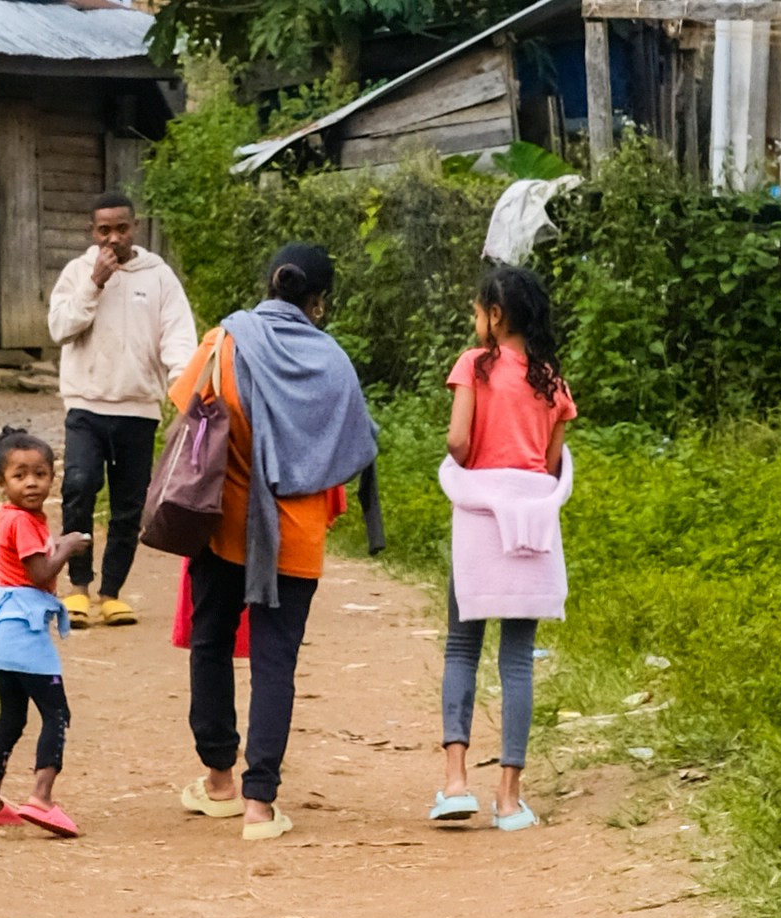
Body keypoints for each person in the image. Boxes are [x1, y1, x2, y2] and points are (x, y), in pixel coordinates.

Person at [166, 243, 382, 846]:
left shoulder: (225, 342)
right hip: (296, 537)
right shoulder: (335, 363)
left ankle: (218, 783)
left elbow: (185, 406)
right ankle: (261, 806)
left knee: (210, 644)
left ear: (269, 284)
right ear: (320, 302)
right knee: (275, 663)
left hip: (221, 526)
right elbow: (355, 447)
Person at [435, 253, 576, 831]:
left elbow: (460, 444)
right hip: (532, 528)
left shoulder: (475, 365)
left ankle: (454, 784)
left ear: (495, 316)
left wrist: (462, 448)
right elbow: (547, 463)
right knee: (517, 661)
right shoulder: (554, 383)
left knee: (461, 649)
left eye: (477, 311)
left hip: (479, 523)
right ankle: (510, 798)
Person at [45, 194, 195, 625]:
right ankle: (77, 588)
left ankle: (111, 593)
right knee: (79, 484)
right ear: (92, 232)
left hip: (138, 408)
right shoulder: (78, 272)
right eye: (104, 230)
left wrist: (181, 389)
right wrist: (94, 283)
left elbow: (178, 338)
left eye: (122, 228)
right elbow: (60, 328)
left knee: (130, 504)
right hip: (86, 403)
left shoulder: (159, 277)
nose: (114, 238)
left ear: (136, 227)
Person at [0, 423, 78, 836]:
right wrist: (67, 546)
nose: (31, 483)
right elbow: (40, 571)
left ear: (53, 475)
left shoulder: (7, 516)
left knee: (12, 717)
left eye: (41, 474)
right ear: (2, 482)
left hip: (2, 629)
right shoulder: (27, 524)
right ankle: (42, 798)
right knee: (57, 713)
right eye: (20, 476)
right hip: (25, 631)